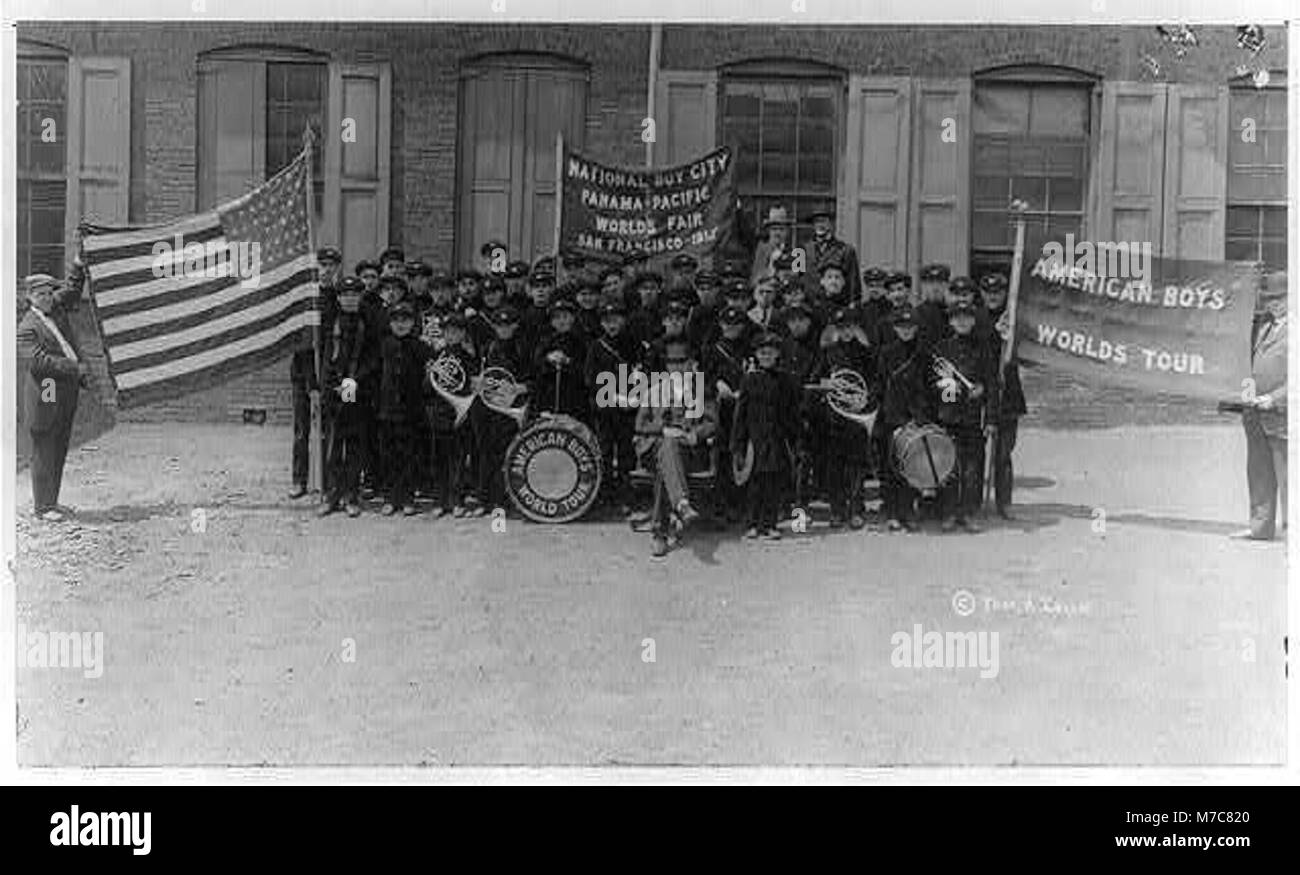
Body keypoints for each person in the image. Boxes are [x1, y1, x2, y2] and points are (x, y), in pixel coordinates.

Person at [634, 340, 718, 558]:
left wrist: (694, 435)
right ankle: (681, 504)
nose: (676, 368)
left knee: (666, 467)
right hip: (655, 449)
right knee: (667, 447)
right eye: (671, 363)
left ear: (691, 364)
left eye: (681, 363)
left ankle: (660, 532)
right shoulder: (654, 391)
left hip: (688, 451)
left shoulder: (701, 392)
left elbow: (712, 423)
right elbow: (640, 425)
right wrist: (663, 430)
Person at [18, 273, 91, 522]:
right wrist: (74, 368)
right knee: (45, 441)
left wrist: (79, 265)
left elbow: (71, 289)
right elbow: (39, 362)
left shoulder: (55, 307)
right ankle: (43, 507)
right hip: (46, 387)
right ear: (29, 298)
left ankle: (52, 502)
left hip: (63, 389)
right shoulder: (27, 327)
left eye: (49, 293)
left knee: (58, 443)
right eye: (41, 294)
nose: (47, 298)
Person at [932, 301, 997, 532]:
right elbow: (939, 381)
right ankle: (948, 512)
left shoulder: (983, 348)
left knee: (973, 468)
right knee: (950, 467)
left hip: (973, 419)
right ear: (950, 321)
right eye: (957, 318)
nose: (962, 322)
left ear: (973, 321)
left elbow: (991, 384)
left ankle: (969, 512)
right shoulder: (942, 348)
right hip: (949, 416)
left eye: (967, 317)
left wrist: (990, 419)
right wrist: (952, 391)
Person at [810, 308, 876, 528]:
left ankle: (857, 509)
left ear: (855, 328)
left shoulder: (866, 352)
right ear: (836, 330)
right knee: (835, 466)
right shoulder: (828, 352)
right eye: (841, 328)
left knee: (856, 464)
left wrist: (864, 399)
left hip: (857, 416)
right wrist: (831, 384)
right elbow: (815, 380)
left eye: (849, 327)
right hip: (834, 418)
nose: (846, 331)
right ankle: (838, 510)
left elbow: (875, 381)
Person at [732, 332, 800, 540]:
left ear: (777, 354)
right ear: (756, 354)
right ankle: (752, 523)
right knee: (755, 483)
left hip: (776, 440)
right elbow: (741, 414)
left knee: (773, 481)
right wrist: (738, 444)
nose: (766, 356)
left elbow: (791, 412)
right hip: (755, 440)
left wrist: (795, 439)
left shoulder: (785, 380)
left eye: (770, 353)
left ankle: (770, 524)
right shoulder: (749, 380)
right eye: (762, 353)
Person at [1236, 270, 1288, 540]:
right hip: (1255, 410)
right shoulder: (1265, 325)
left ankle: (1293, 531)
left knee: (1288, 473)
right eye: (1269, 299)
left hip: (1281, 412)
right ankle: (1260, 526)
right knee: (1259, 470)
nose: (1272, 304)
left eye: (1279, 299)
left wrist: (1276, 398)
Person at [288, 246, 342, 498]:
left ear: (337, 269)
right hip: (304, 373)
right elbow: (300, 342)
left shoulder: (340, 298)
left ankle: (327, 480)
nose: (326, 270)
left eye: (331, 265)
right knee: (302, 428)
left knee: (332, 428)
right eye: (322, 265)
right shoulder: (306, 299)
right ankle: (299, 479)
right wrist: (311, 382)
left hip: (331, 374)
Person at [319, 277, 372, 518]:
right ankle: (331, 495)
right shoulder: (330, 323)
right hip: (333, 392)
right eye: (345, 295)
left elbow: (373, 358)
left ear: (360, 298)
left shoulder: (366, 323)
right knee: (332, 447)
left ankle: (351, 495)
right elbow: (324, 356)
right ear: (338, 298)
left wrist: (354, 380)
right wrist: (331, 386)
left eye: (355, 295)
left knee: (353, 447)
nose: (350, 299)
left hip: (356, 391)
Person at [875, 304, 932, 532]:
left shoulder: (924, 354)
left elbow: (929, 388)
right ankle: (892, 511)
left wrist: (921, 416)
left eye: (910, 327)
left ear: (916, 328)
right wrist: (891, 418)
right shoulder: (887, 353)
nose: (906, 331)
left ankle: (908, 511)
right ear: (895, 328)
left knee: (912, 466)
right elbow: (880, 386)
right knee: (891, 467)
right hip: (892, 417)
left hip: (915, 417)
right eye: (901, 327)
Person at [473, 306, 531, 514]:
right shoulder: (488, 348)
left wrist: (520, 388)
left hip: (512, 407)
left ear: (515, 326)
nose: (503, 329)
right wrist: (479, 383)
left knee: (508, 454)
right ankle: (484, 500)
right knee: (486, 453)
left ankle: (504, 501)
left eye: (508, 325)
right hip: (490, 407)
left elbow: (534, 379)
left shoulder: (524, 348)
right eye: (499, 325)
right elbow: (482, 375)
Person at [376, 301, 431, 517]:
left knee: (409, 454)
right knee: (389, 455)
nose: (400, 325)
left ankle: (408, 497)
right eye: (396, 320)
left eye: (405, 320)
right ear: (390, 323)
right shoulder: (383, 345)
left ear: (412, 323)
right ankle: (390, 498)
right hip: (387, 409)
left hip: (411, 410)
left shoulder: (420, 347)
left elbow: (431, 372)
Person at [979, 272, 1026, 519]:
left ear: (1005, 293)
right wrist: (994, 333)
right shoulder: (975, 318)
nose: (993, 297)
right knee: (975, 451)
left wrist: (1011, 337)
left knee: (1003, 453)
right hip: (982, 395)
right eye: (988, 292)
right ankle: (972, 500)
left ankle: (1004, 503)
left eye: (998, 292)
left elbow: (1026, 351)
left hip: (1008, 393)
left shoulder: (1015, 318)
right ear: (982, 294)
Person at [427, 313, 477, 518]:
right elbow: (428, 387)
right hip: (440, 411)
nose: (452, 335)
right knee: (439, 457)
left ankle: (457, 500)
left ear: (463, 333)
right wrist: (429, 373)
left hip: (459, 412)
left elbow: (472, 386)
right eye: (448, 331)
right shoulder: (437, 355)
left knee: (458, 457)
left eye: (456, 331)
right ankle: (440, 500)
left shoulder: (469, 357)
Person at [533, 298, 589, 419]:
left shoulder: (582, 342)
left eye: (565, 316)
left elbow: (587, 372)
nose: (561, 321)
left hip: (576, 404)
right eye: (557, 318)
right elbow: (536, 368)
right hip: (549, 403)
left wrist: (568, 362)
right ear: (552, 322)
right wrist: (548, 359)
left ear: (573, 318)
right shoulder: (545, 342)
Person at [805, 206, 861, 303]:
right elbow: (795, 280)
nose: (820, 225)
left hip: (837, 307)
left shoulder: (846, 250)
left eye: (824, 221)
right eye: (817, 222)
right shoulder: (801, 250)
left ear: (831, 224)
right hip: (810, 307)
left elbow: (854, 285)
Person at [751, 205, 794, 287]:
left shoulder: (794, 252)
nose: (777, 233)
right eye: (774, 229)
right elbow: (753, 281)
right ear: (769, 231)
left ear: (787, 231)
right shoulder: (761, 250)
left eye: (781, 229)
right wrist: (769, 272)